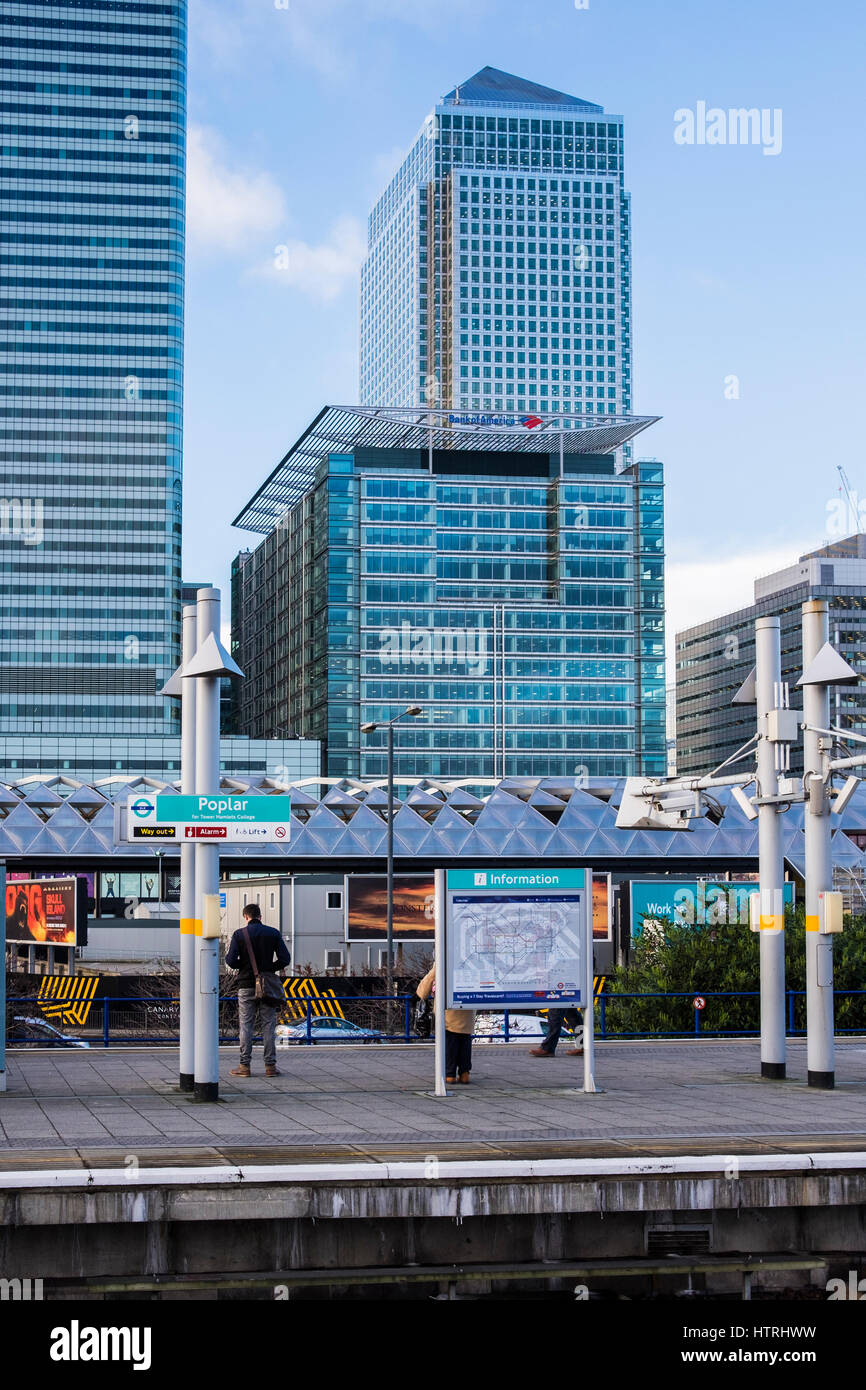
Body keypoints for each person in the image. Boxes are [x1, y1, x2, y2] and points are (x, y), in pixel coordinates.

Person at [225, 902, 291, 1077]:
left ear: (246, 917)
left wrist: (245, 966)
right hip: (267, 986)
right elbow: (285, 959)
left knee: (246, 1026)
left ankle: (244, 1066)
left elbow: (230, 961)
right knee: (269, 1025)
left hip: (246, 985)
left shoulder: (239, 934)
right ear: (260, 916)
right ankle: (270, 1067)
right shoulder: (273, 933)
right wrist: (269, 968)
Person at [416, 965, 475, 1085]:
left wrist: (421, 992)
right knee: (465, 1043)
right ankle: (464, 1074)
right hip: (467, 1012)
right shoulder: (471, 963)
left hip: (448, 1013)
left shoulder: (444, 959)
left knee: (449, 1045)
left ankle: (450, 1075)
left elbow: (424, 988)